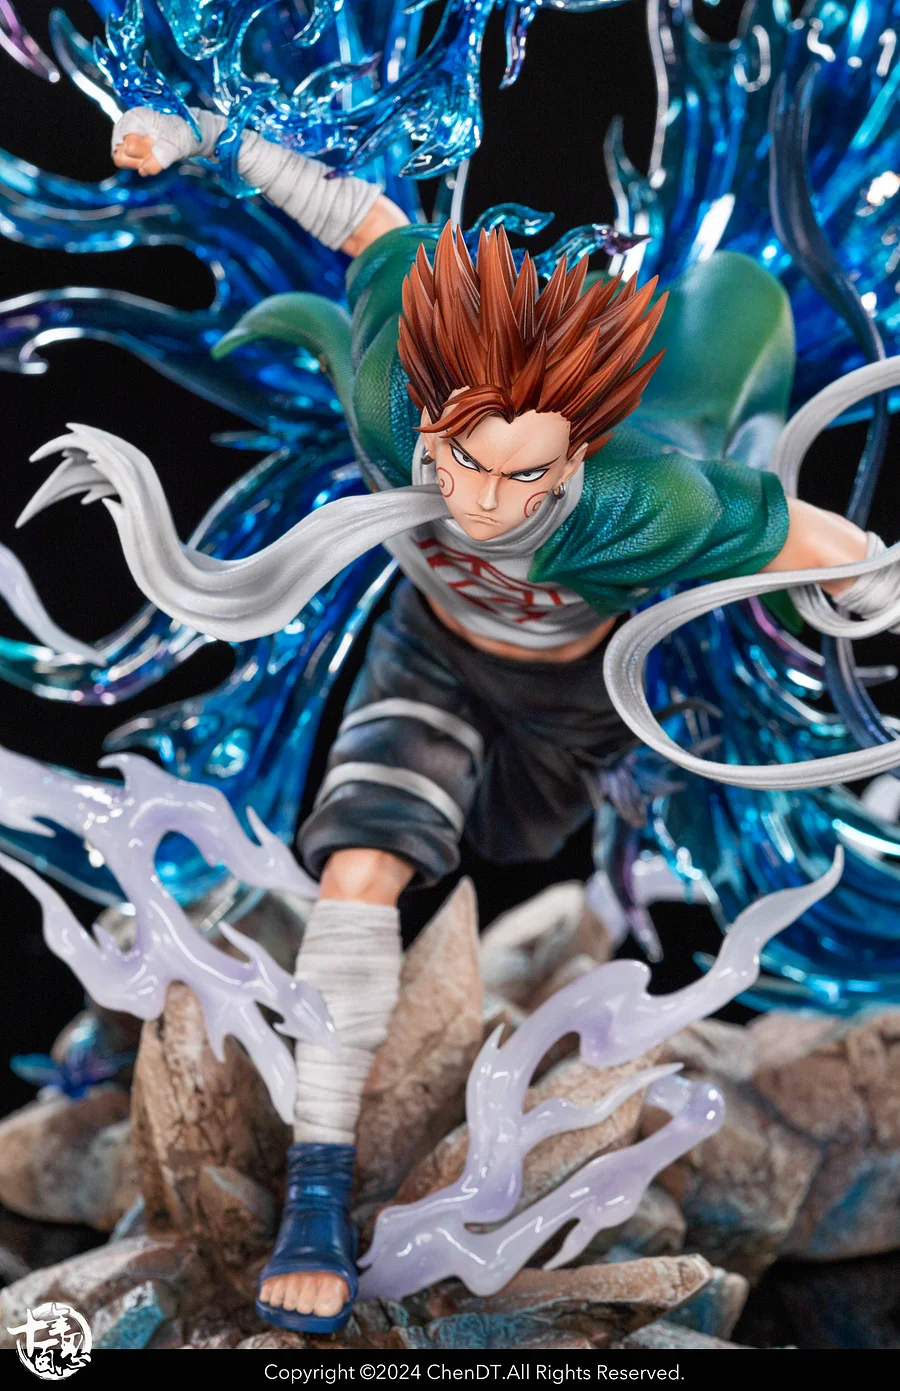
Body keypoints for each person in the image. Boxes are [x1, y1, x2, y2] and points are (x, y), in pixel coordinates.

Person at [50, 105, 877, 1334]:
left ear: (580, 454)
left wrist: (872, 580)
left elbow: (812, 536)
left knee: (621, 840)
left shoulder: (648, 500)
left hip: (587, 705)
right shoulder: (397, 394)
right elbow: (365, 218)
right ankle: (316, 1201)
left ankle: (622, 894)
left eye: (524, 475)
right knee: (359, 869)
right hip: (427, 657)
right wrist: (203, 138)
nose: (483, 504)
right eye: (462, 462)